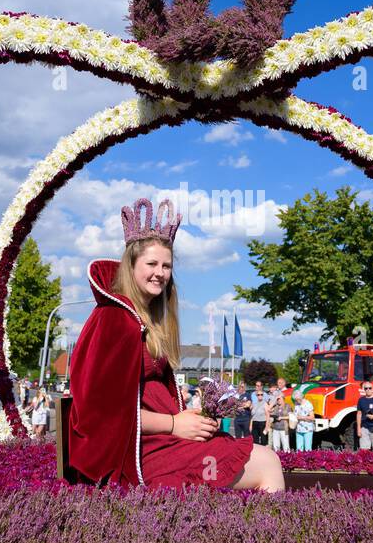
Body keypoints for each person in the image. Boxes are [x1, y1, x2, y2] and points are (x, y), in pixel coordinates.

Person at [66, 196, 282, 491]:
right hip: (137, 454)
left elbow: (155, 394)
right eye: (151, 263)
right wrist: (174, 424)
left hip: (164, 439)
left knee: (263, 458)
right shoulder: (113, 319)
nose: (160, 273)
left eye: (166, 266)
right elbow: (101, 411)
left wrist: (194, 419)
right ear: (130, 265)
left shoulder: (146, 319)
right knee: (267, 462)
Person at [356, 381, 373, 451]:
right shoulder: (361, 400)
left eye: (370, 388)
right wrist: (358, 428)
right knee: (364, 450)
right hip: (364, 427)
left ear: (372, 389)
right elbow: (359, 414)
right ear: (364, 389)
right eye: (366, 388)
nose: (368, 390)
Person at [266, 383, 291, 452]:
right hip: (276, 428)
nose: (278, 400)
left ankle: (288, 460)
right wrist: (270, 411)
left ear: (283, 398)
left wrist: (281, 418)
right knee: (276, 447)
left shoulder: (287, 406)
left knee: (286, 446)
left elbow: (290, 417)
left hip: (284, 429)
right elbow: (271, 413)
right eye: (277, 399)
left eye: (279, 399)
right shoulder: (276, 407)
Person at [249, 380, 269, 446]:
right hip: (255, 423)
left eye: (261, 394)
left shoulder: (265, 403)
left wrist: (266, 427)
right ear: (256, 396)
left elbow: (267, 415)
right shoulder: (254, 403)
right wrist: (250, 425)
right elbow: (252, 415)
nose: (260, 396)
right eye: (258, 395)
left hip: (262, 423)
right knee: (255, 441)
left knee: (263, 441)